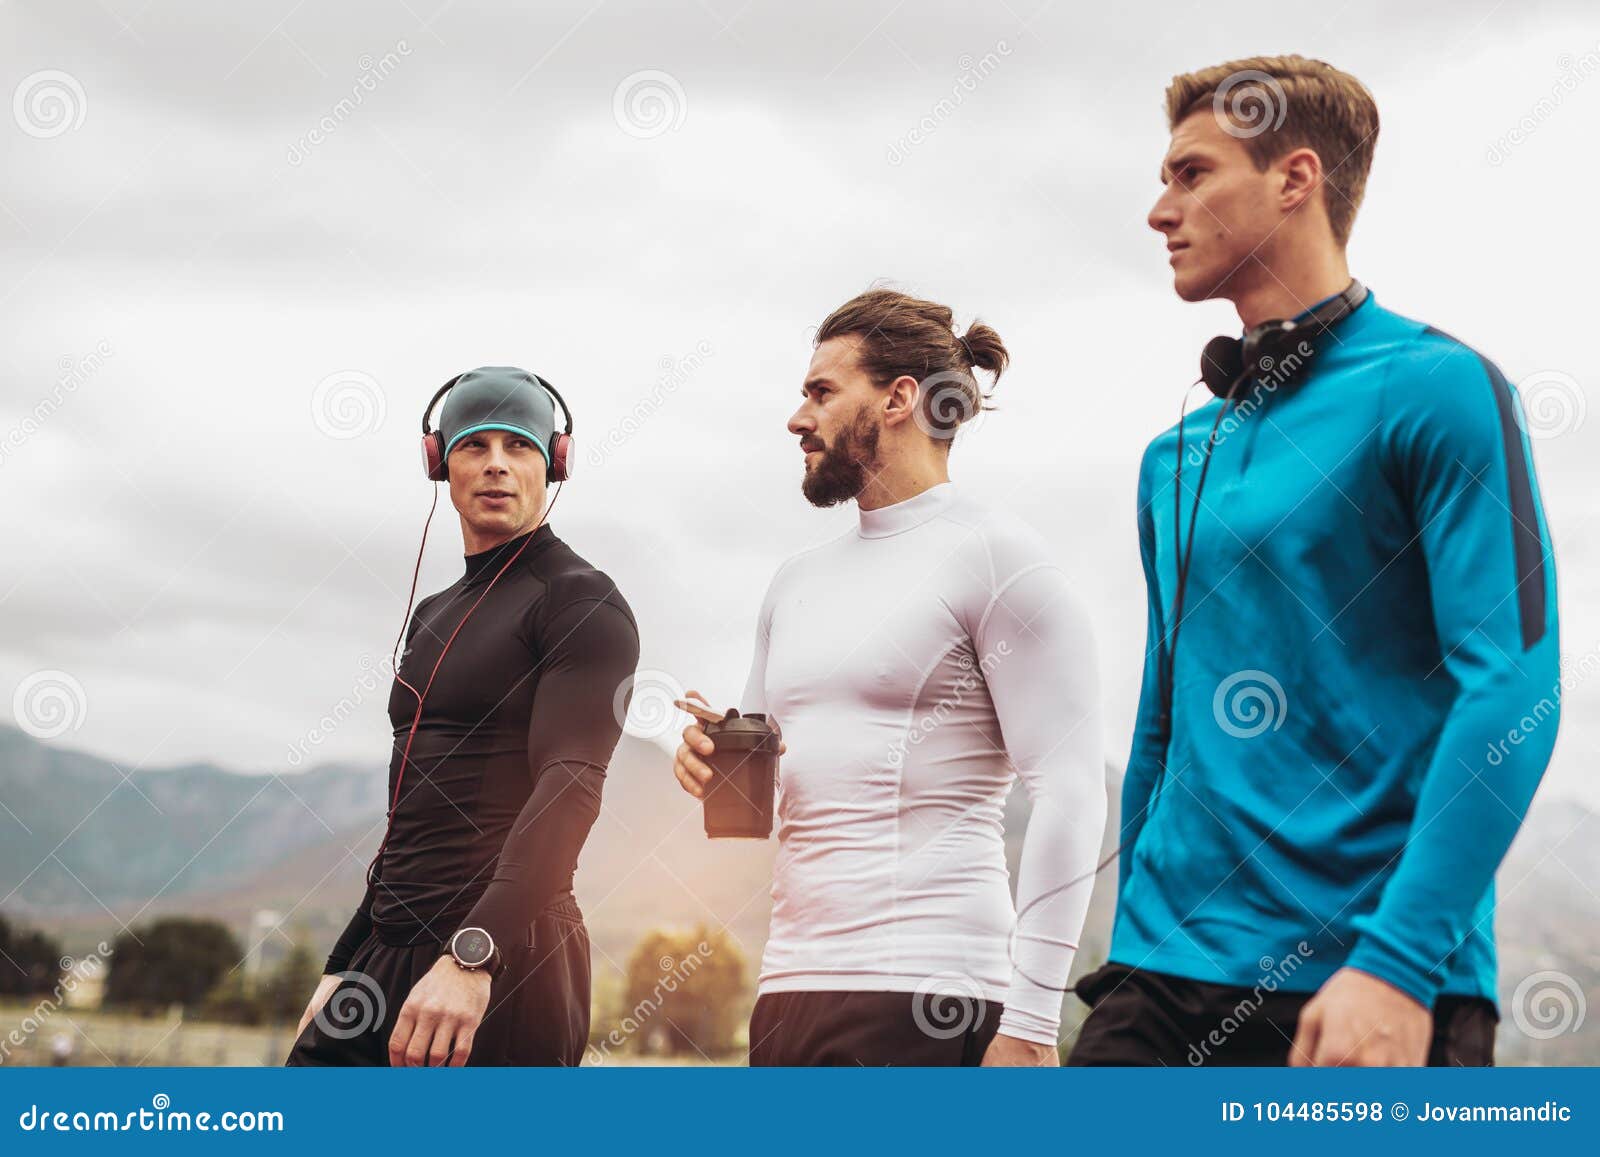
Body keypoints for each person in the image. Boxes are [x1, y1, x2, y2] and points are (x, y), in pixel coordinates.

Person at [1069, 56, 1560, 1067]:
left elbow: (1513, 687)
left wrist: (1399, 962)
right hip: (1161, 974)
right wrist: (1128, 942)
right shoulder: (1173, 458)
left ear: (1295, 179)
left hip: (1369, 977)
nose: (1160, 211)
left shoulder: (1439, 388)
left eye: (1192, 174)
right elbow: (1162, 716)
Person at [673, 289, 1107, 1066]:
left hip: (934, 989)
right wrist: (712, 760)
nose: (797, 418)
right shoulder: (794, 580)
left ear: (900, 399)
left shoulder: (998, 557)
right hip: (790, 989)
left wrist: (1033, 1022)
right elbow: (772, 787)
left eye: (821, 392)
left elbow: (1070, 790)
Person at [287, 366, 640, 1066]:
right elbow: (410, 819)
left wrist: (475, 953)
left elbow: (571, 786)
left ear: (555, 462)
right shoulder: (432, 613)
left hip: (506, 954)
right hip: (387, 949)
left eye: (519, 445)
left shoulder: (580, 601)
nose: (497, 464)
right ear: (439, 462)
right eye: (475, 445)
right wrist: (344, 961)